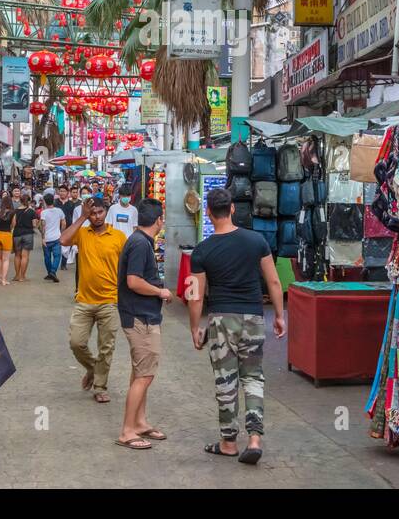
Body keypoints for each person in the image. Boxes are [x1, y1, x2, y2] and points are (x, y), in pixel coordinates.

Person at [187, 187, 285, 465]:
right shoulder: (256, 241)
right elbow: (274, 282)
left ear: (208, 212)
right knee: (252, 377)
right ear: (232, 209)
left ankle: (229, 442)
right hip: (253, 318)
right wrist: (279, 315)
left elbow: (195, 294)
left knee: (226, 381)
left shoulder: (202, 250)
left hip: (221, 320)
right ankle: (254, 437)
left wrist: (196, 327)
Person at [115, 198, 171, 450]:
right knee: (145, 375)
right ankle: (127, 431)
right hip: (140, 317)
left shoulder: (141, 242)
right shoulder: (139, 244)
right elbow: (134, 281)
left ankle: (139, 422)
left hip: (141, 315)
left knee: (140, 372)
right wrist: (160, 292)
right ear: (159, 220)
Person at [61, 196, 128, 404]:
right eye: (92, 213)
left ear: (106, 211)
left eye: (99, 212)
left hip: (110, 300)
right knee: (76, 343)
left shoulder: (118, 237)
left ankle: (100, 386)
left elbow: (125, 268)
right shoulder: (82, 233)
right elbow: (63, 240)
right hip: (84, 301)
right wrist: (82, 216)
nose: (96, 217)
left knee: (106, 346)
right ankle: (92, 369)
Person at [39, 191, 67, 283]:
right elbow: (64, 223)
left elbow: (43, 225)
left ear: (45, 202)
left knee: (47, 257)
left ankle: (50, 272)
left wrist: (43, 238)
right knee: (57, 256)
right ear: (53, 201)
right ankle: (53, 271)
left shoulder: (44, 212)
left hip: (47, 238)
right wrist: (62, 233)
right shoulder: (59, 211)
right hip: (57, 237)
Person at [12, 193, 36, 282]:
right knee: (25, 256)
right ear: (29, 201)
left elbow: (13, 224)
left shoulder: (15, 211)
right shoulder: (32, 212)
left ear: (20, 201)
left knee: (17, 255)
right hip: (28, 234)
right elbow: (34, 225)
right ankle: (22, 276)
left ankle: (16, 275)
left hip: (17, 234)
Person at [0, 193, 15, 286]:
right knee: (6, 259)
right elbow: (13, 224)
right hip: (7, 235)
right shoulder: (13, 213)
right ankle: (4, 280)